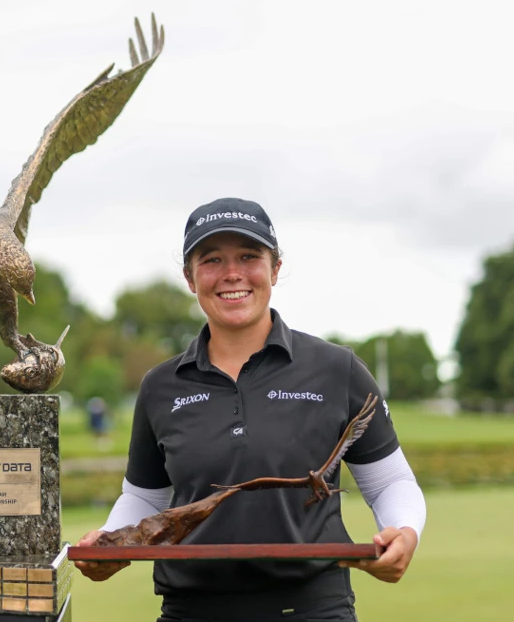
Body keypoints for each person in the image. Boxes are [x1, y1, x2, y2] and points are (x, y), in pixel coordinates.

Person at [73, 198, 427, 622]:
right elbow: (145, 497)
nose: (232, 273)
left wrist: (405, 532)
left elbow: (389, 483)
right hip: (191, 611)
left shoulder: (336, 369)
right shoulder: (160, 386)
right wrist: (113, 542)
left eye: (248, 256)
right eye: (212, 260)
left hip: (312, 608)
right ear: (190, 277)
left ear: (275, 269)